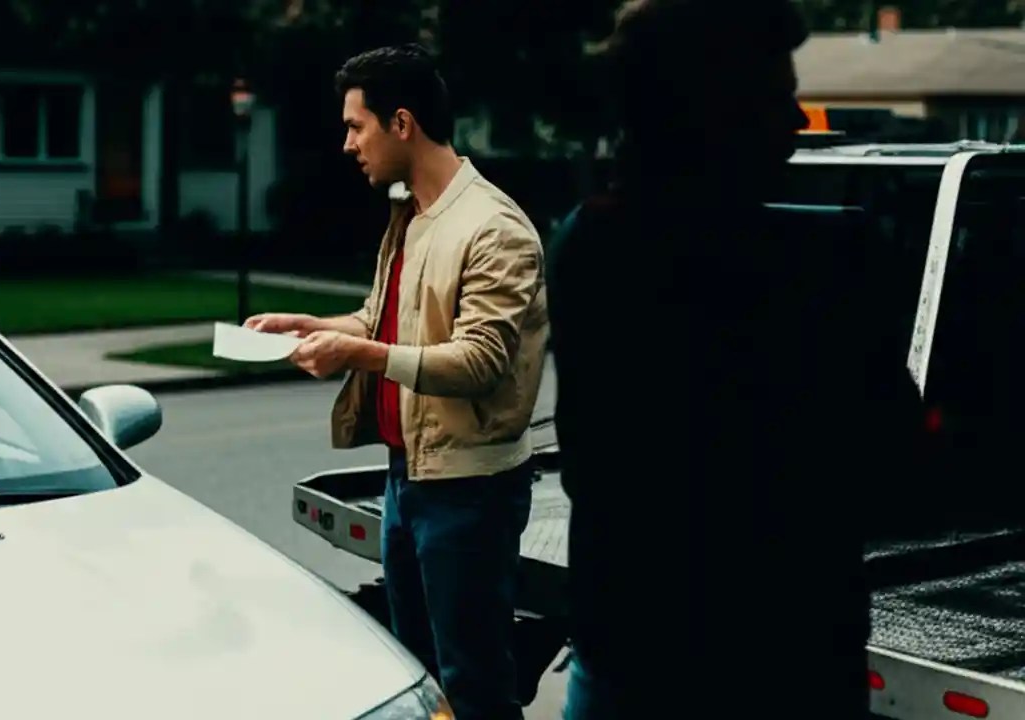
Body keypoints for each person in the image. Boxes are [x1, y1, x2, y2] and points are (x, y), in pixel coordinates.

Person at [545, 1, 926, 718]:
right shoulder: (817, 268)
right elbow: (893, 464)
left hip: (631, 653)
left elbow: (599, 470)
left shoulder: (591, 248)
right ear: (708, 111)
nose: (795, 122)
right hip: (783, 663)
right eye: (776, 99)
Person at [245, 43, 550, 720]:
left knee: (474, 687)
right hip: (406, 481)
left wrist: (364, 355)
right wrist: (310, 325)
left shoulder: (494, 229)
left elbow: (480, 361)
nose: (347, 142)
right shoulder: (409, 215)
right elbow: (384, 319)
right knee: (420, 682)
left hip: (469, 492)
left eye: (357, 126)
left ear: (402, 123)